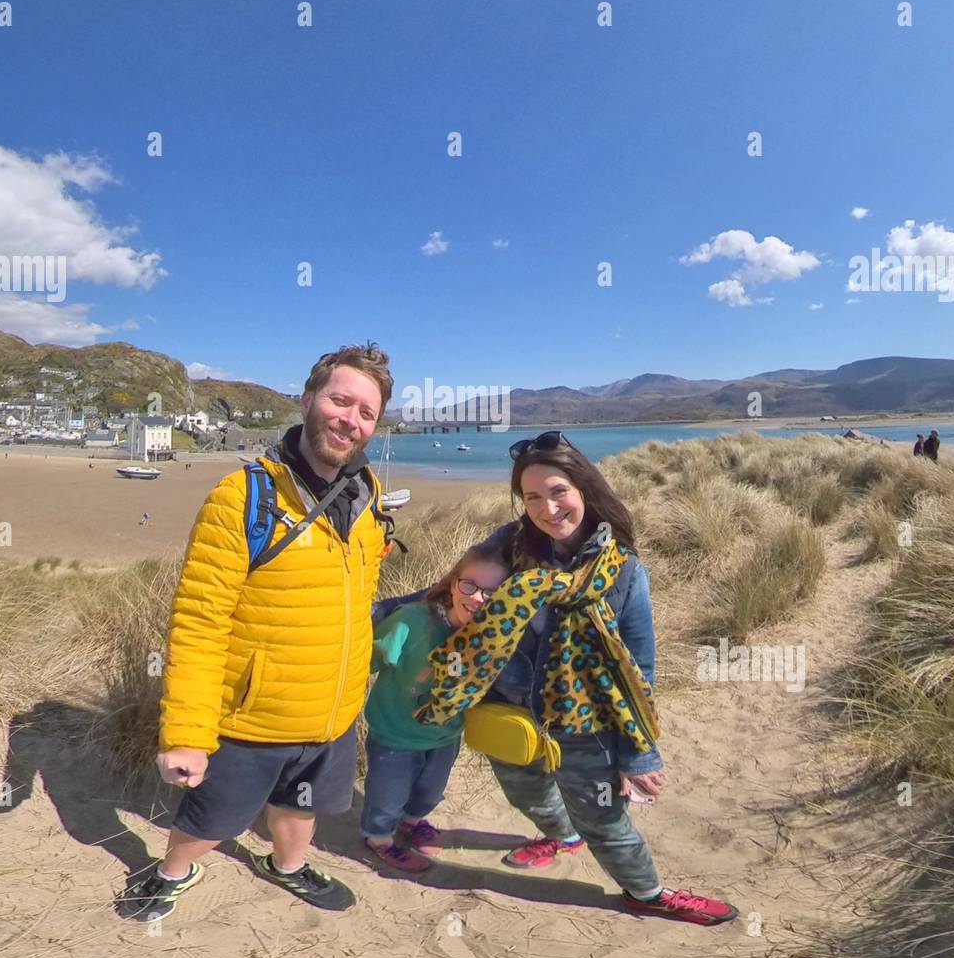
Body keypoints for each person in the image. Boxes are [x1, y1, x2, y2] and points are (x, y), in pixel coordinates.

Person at [116, 344, 394, 923]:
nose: (350, 419)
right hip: (252, 718)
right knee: (211, 817)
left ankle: (285, 867)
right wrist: (187, 732)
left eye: (366, 412)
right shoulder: (242, 498)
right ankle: (172, 872)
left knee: (302, 807)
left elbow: (358, 600)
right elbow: (198, 621)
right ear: (308, 399)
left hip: (333, 714)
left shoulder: (367, 499)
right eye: (340, 400)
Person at [414, 431, 739, 926]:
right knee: (524, 792)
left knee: (604, 820)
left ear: (584, 487)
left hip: (585, 719)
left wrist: (638, 753)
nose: (548, 508)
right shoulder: (509, 545)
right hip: (508, 707)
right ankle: (559, 835)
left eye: (558, 490)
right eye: (532, 497)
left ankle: (646, 893)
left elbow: (638, 666)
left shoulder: (625, 571)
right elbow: (454, 587)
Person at [356, 548, 506, 874]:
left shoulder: (491, 638)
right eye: (469, 586)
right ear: (453, 584)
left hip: (445, 735)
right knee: (387, 794)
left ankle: (412, 822)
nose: (479, 598)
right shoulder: (411, 621)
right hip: (394, 734)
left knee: (430, 790)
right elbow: (364, 662)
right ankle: (378, 838)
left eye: (492, 592)